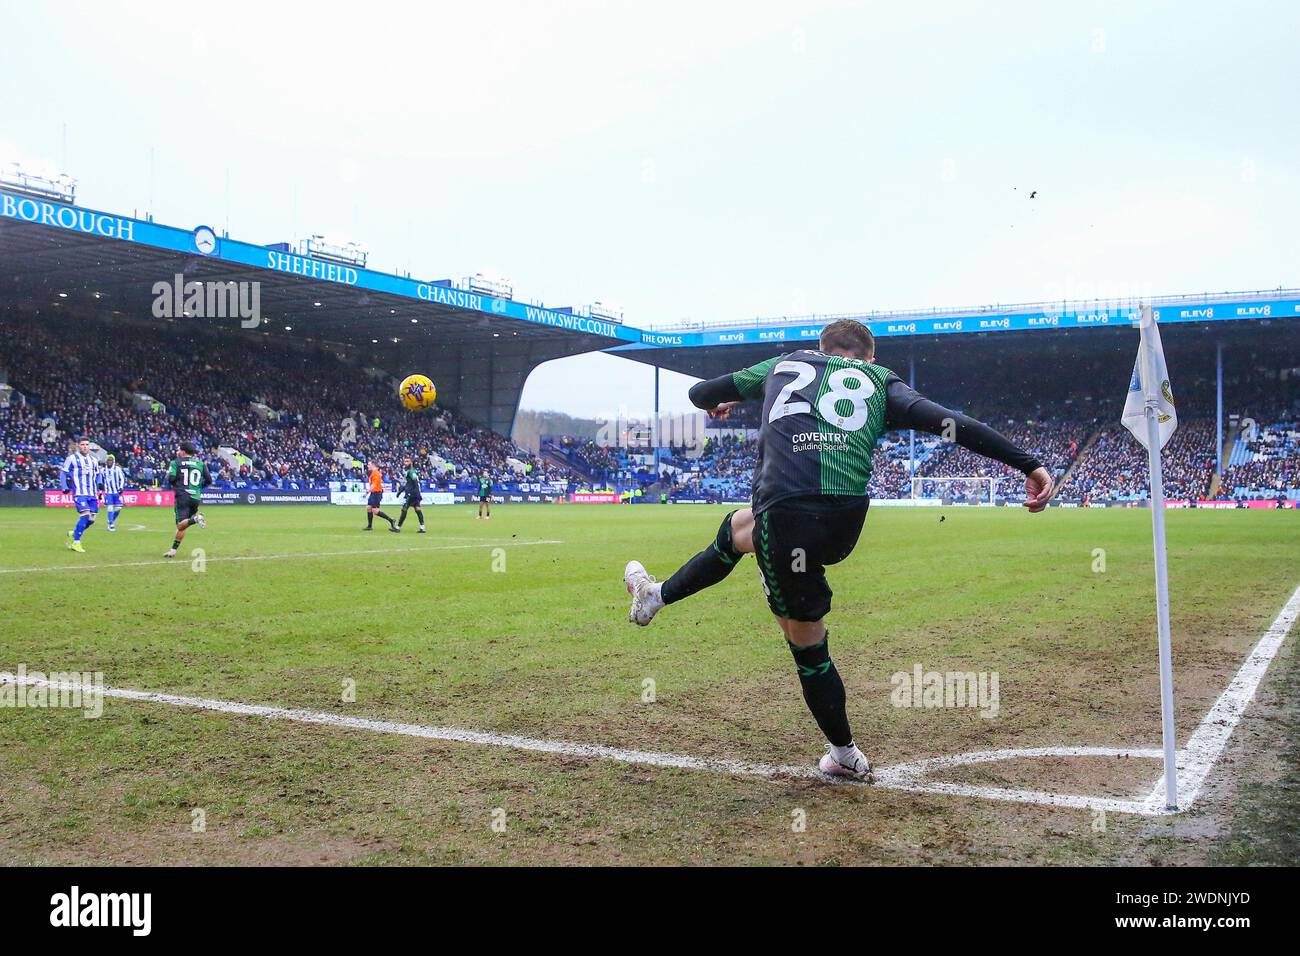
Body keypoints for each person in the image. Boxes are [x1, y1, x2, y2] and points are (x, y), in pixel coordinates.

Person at [622, 319, 1054, 781]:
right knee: (739, 527)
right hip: (844, 522)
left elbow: (700, 393)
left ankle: (845, 755)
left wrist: (719, 400)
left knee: (805, 640)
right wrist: (1027, 464)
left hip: (787, 520)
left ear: (820, 348)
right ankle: (656, 595)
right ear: (869, 358)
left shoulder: (785, 364)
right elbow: (948, 422)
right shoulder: (881, 378)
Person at [163, 441, 211, 558]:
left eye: (179, 450)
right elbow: (209, 480)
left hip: (182, 496)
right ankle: (173, 550)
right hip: (195, 497)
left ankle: (196, 518)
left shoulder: (176, 463)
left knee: (180, 525)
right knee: (184, 525)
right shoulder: (200, 463)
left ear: (183, 452)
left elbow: (171, 478)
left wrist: (170, 476)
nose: (177, 452)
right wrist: (198, 488)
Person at [60, 438, 100, 553]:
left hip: (92, 493)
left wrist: (100, 484)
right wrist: (64, 486)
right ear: (78, 446)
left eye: (87, 444)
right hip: (79, 492)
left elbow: (98, 474)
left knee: (92, 519)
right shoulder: (71, 459)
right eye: (82, 445)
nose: (85, 447)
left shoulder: (94, 460)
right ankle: (76, 542)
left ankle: (75, 533)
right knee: (86, 514)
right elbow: (63, 473)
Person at [364, 459, 398, 532]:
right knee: (369, 508)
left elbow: (374, 485)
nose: (368, 466)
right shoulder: (373, 473)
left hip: (376, 493)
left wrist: (367, 492)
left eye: (369, 464)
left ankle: (391, 520)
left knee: (375, 511)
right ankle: (369, 526)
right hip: (373, 493)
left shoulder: (376, 473)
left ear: (373, 465)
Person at [397, 456, 426, 533]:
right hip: (414, 493)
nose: (405, 463)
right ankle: (422, 527)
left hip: (411, 494)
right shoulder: (410, 471)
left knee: (404, 509)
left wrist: (414, 493)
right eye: (405, 461)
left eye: (407, 461)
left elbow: (414, 483)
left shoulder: (411, 471)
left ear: (411, 462)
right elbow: (408, 484)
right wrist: (400, 492)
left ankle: (398, 527)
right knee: (417, 509)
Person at [99, 452, 127, 532]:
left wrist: (121, 488)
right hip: (108, 492)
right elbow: (101, 482)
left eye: (111, 461)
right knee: (110, 507)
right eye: (108, 461)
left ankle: (110, 521)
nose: (109, 462)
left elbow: (122, 479)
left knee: (118, 508)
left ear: (113, 461)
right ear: (106, 461)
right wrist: (100, 492)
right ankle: (111, 524)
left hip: (116, 492)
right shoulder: (103, 470)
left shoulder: (117, 469)